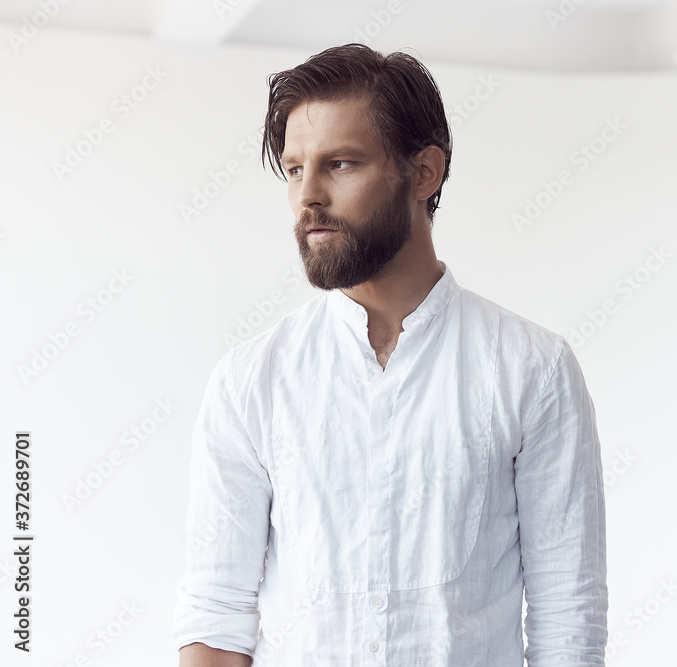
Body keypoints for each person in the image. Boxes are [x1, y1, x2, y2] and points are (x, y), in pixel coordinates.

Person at [172, 43, 608, 666]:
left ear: (424, 172)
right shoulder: (251, 381)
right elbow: (216, 613)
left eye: (341, 164)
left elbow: (569, 618)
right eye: (295, 170)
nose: (308, 197)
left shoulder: (531, 370)